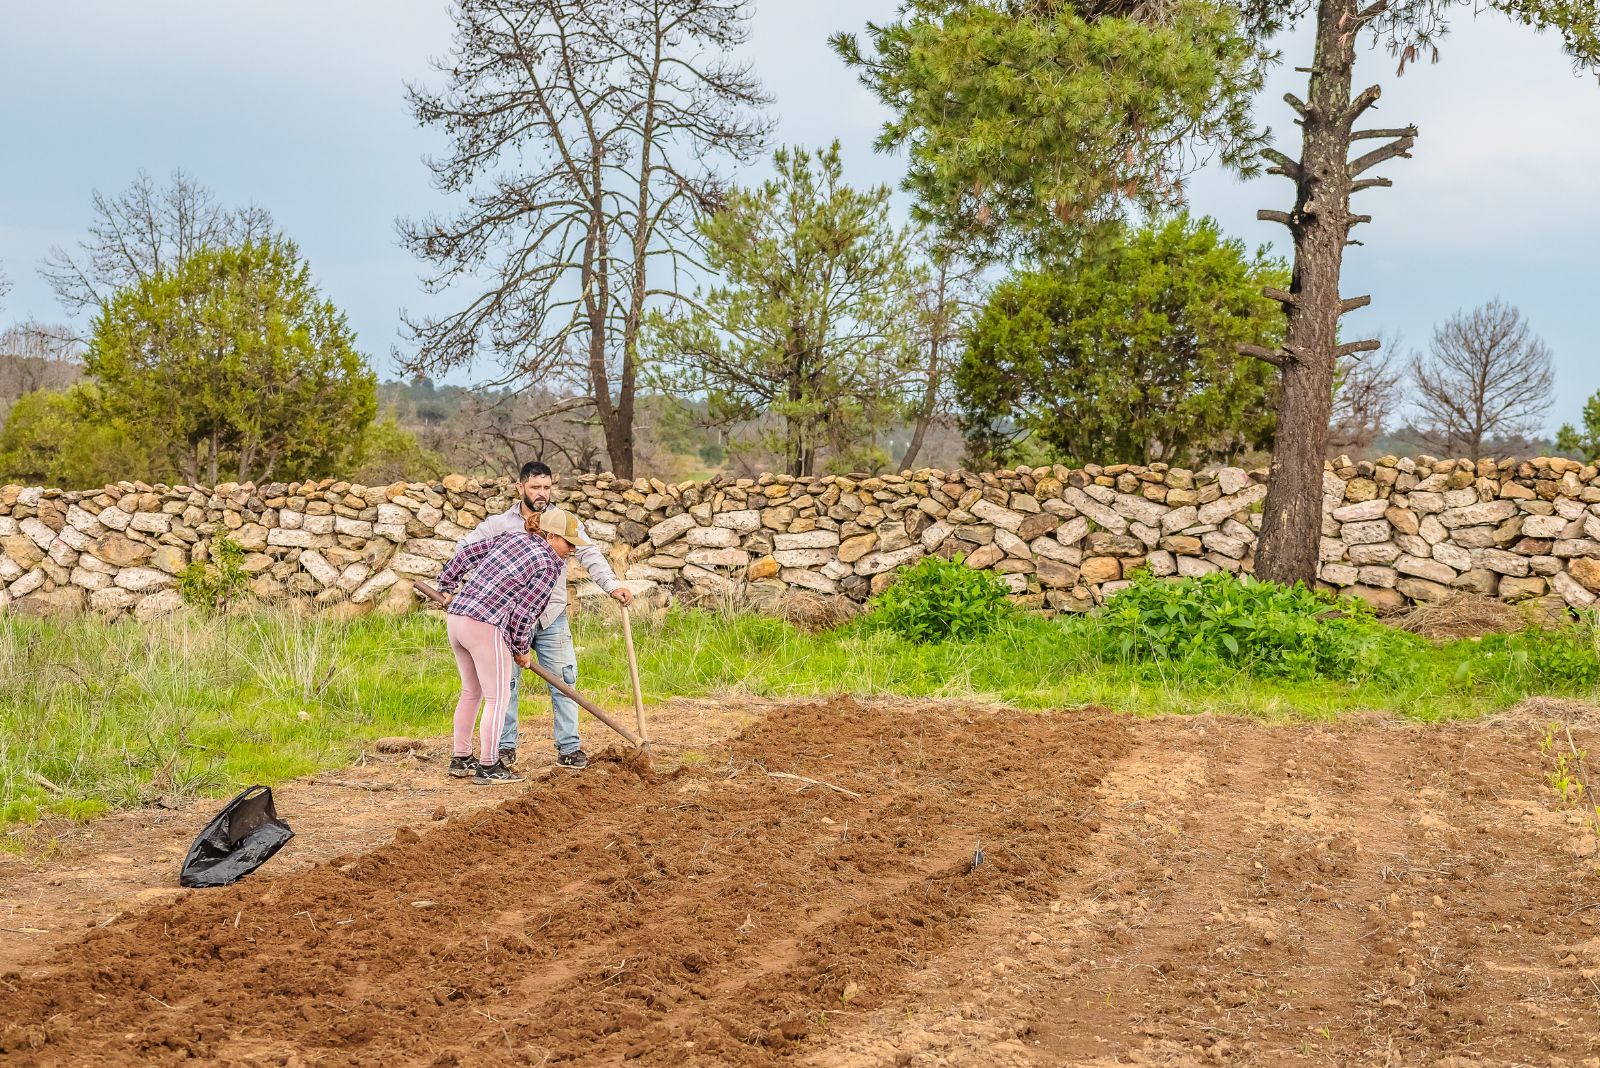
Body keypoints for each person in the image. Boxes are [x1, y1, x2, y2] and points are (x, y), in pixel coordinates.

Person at [455, 461, 632, 771]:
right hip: (506, 621)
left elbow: (589, 553)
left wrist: (612, 585)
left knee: (565, 680)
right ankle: (503, 748)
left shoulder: (563, 523)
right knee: (505, 685)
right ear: (520, 487)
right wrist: (462, 587)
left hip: (552, 617)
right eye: (535, 487)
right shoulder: (500, 524)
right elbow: (464, 549)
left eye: (547, 487)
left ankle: (569, 748)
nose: (542, 493)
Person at [434, 508, 589, 785]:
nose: (572, 550)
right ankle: (489, 766)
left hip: (457, 618)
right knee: (498, 698)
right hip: (486, 625)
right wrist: (521, 649)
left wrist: (447, 585)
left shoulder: (512, 537)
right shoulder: (548, 565)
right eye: (569, 543)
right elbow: (524, 614)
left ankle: (461, 758)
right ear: (551, 536)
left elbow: (465, 555)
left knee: (471, 691)